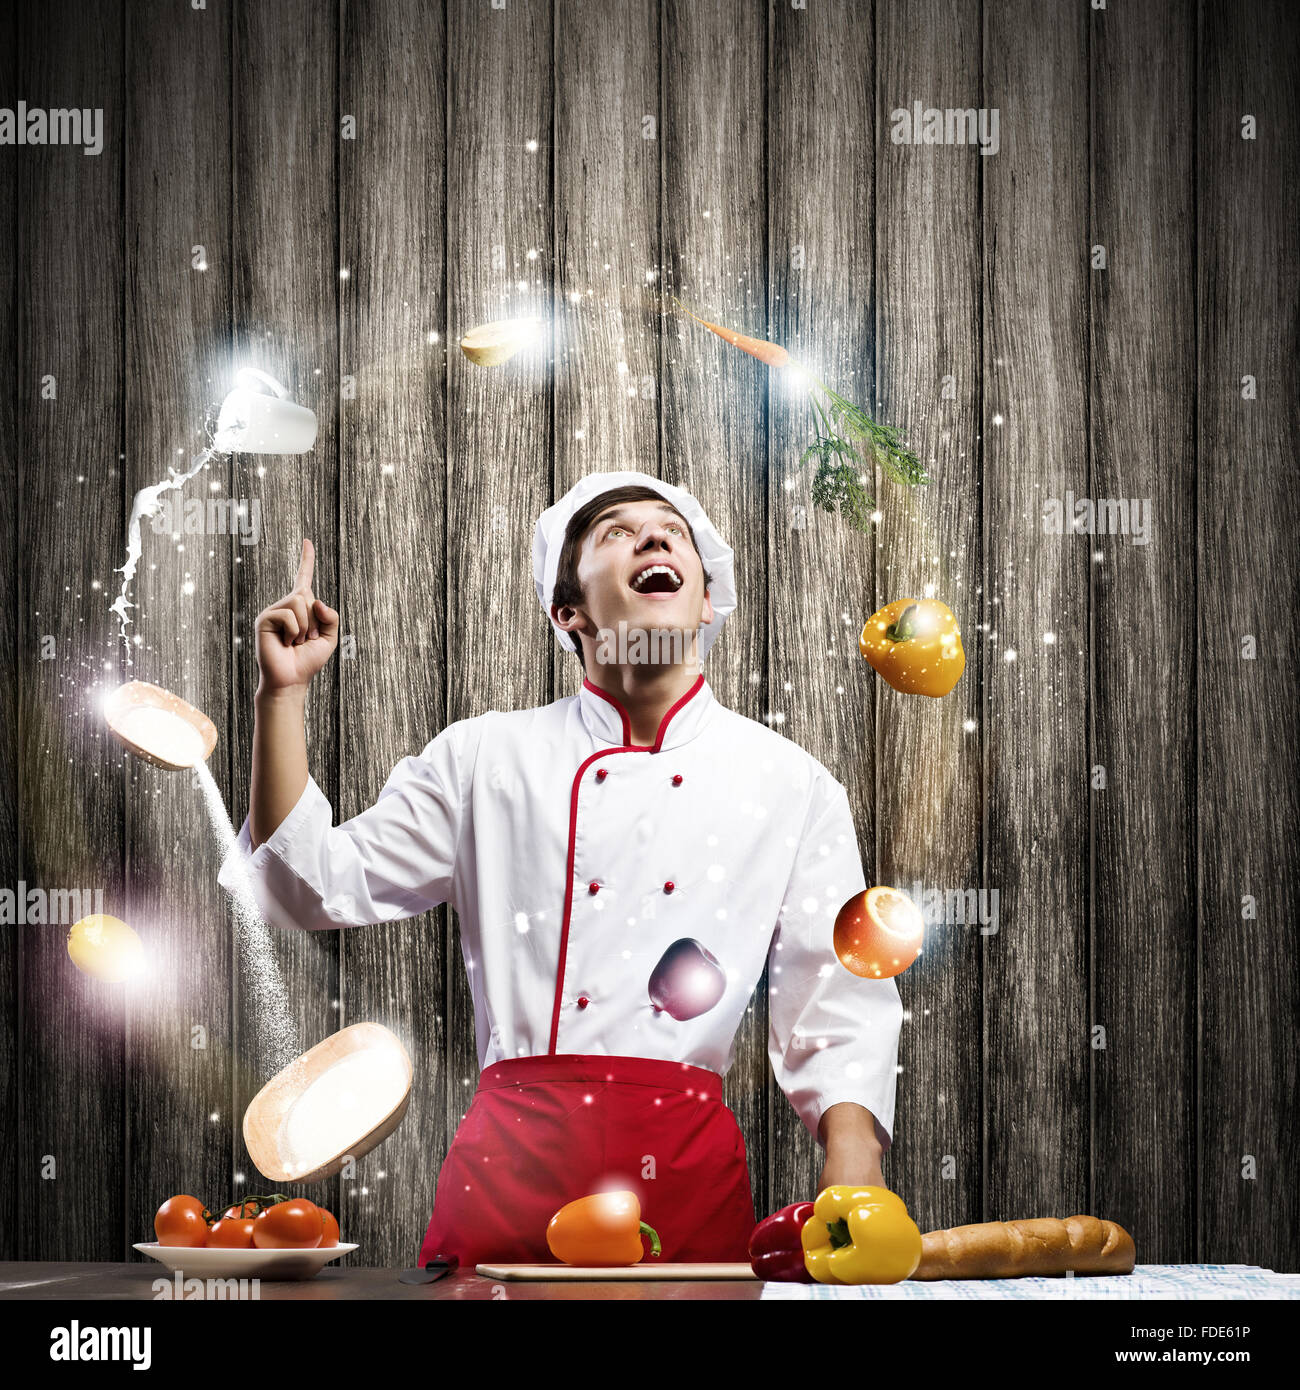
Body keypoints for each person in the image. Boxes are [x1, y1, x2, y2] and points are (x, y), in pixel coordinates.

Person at [220, 469, 903, 1266]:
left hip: (684, 1172)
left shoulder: (792, 784)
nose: (652, 537)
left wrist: (857, 1175)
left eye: (671, 532)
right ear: (567, 610)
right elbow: (299, 885)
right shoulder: (485, 757)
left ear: (707, 602)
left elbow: (837, 1002)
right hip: (511, 1167)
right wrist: (282, 698)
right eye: (617, 532)